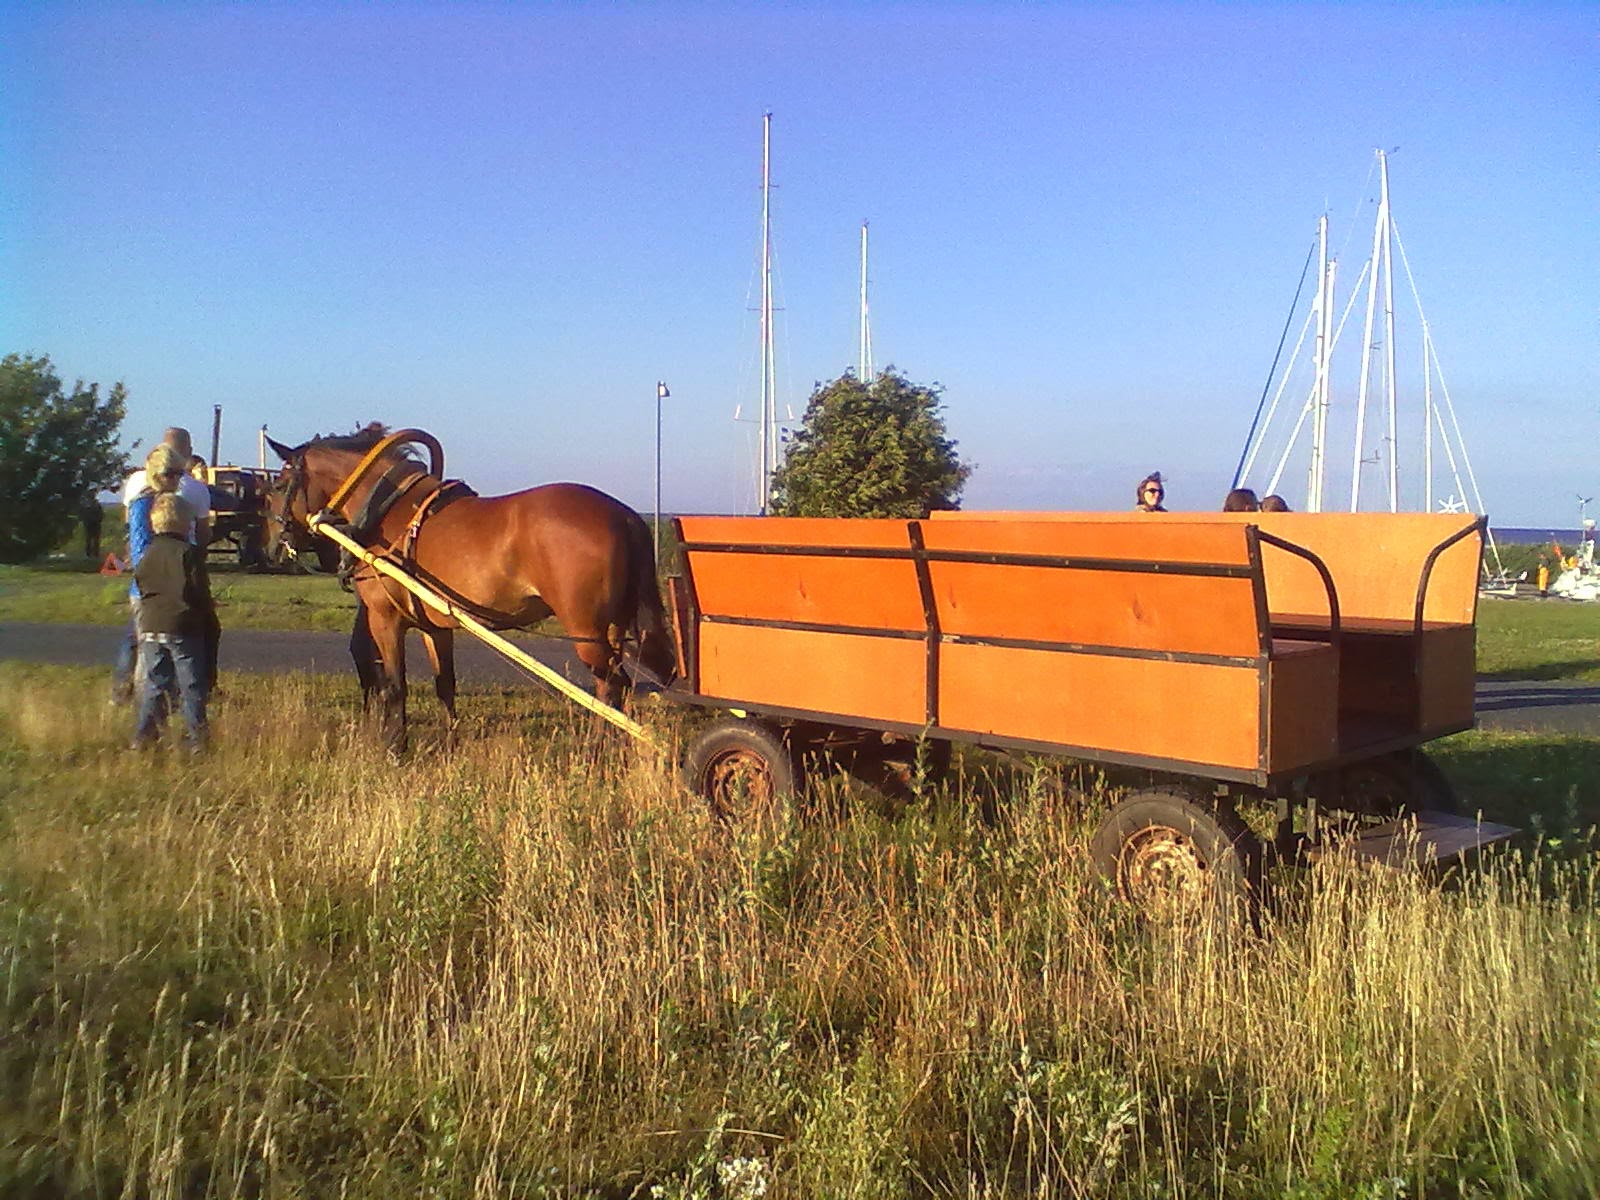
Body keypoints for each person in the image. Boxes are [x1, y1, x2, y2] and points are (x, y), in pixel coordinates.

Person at [130, 493, 213, 753]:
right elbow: (199, 590)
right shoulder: (188, 553)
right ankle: (196, 738)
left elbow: (141, 584)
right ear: (185, 523)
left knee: (156, 683)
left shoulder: (148, 553)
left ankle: (144, 736)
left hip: (151, 625)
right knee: (191, 685)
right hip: (183, 628)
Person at [110, 445, 190, 703]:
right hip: (149, 590)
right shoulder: (144, 502)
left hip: (171, 587)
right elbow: (140, 550)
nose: (177, 479)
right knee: (149, 655)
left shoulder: (174, 502)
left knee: (147, 645)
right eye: (171, 473)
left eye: (180, 473)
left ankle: (149, 703)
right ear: (157, 473)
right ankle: (145, 714)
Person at [80, 493, 104, 559]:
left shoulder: (86, 505)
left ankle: (90, 554)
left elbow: (83, 514)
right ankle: (94, 554)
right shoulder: (96, 505)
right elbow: (101, 515)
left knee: (90, 539)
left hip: (90, 524)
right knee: (93, 540)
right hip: (94, 524)